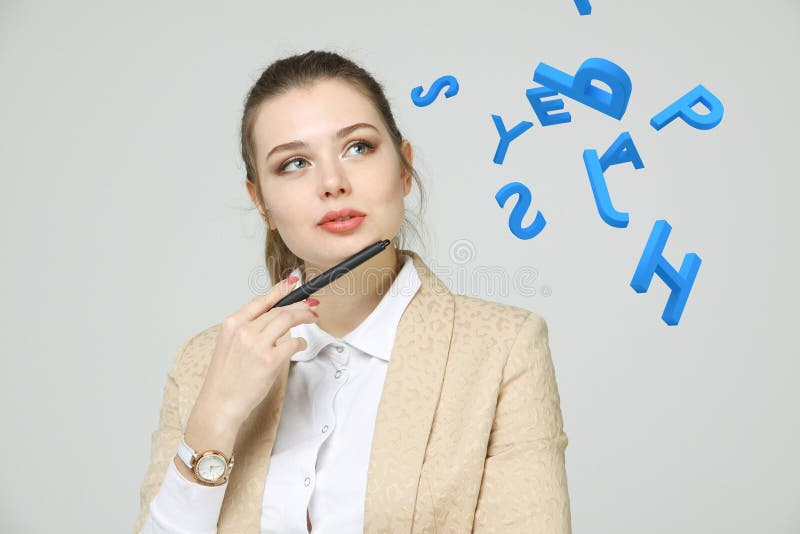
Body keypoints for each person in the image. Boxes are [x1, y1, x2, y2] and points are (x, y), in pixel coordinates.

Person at [134, 49, 572, 533]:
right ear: (260, 202)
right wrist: (214, 417)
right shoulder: (201, 365)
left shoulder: (503, 348)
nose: (332, 183)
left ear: (404, 168)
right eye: (295, 163)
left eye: (358, 147)